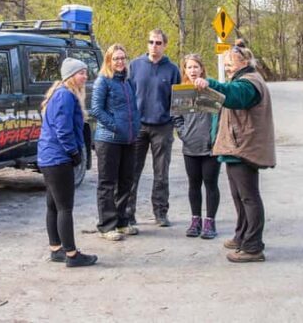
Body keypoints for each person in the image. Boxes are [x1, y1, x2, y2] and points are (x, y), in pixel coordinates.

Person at [192, 46, 275, 263]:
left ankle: (253, 246)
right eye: (225, 63)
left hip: (243, 149)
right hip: (235, 147)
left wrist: (210, 83)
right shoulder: (243, 79)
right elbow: (226, 100)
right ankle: (242, 237)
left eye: (230, 63)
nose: (227, 67)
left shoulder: (249, 82)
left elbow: (234, 95)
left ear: (244, 62)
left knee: (249, 197)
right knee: (240, 197)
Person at [37, 57, 98, 268]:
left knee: (53, 205)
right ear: (71, 76)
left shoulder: (59, 92)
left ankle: (56, 249)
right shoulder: (66, 96)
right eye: (81, 72)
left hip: (48, 157)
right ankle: (72, 254)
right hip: (57, 158)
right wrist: (73, 152)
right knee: (65, 208)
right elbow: (63, 129)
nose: (85, 76)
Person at [127, 29, 181, 227]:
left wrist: (175, 122)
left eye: (158, 43)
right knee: (132, 171)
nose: (154, 46)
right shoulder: (134, 66)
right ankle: (128, 213)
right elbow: (127, 95)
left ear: (165, 45)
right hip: (138, 126)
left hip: (163, 126)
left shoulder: (172, 69)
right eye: (151, 42)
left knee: (161, 172)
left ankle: (160, 212)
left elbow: (178, 101)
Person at [91, 44, 141, 241]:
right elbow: (96, 109)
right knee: (107, 183)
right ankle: (106, 225)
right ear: (109, 61)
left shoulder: (127, 82)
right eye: (116, 58)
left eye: (123, 58)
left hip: (128, 139)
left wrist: (135, 125)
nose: (120, 62)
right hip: (108, 139)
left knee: (126, 181)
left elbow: (133, 108)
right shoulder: (103, 81)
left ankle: (122, 221)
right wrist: (115, 126)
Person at [175, 54, 220, 239]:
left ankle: (210, 222)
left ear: (202, 68)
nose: (193, 70)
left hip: (210, 148)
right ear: (184, 70)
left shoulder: (210, 90)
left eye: (196, 67)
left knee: (210, 184)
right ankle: (195, 220)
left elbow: (219, 117)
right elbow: (176, 118)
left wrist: (215, 139)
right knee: (194, 184)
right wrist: (184, 134)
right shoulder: (182, 92)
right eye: (189, 67)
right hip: (190, 147)